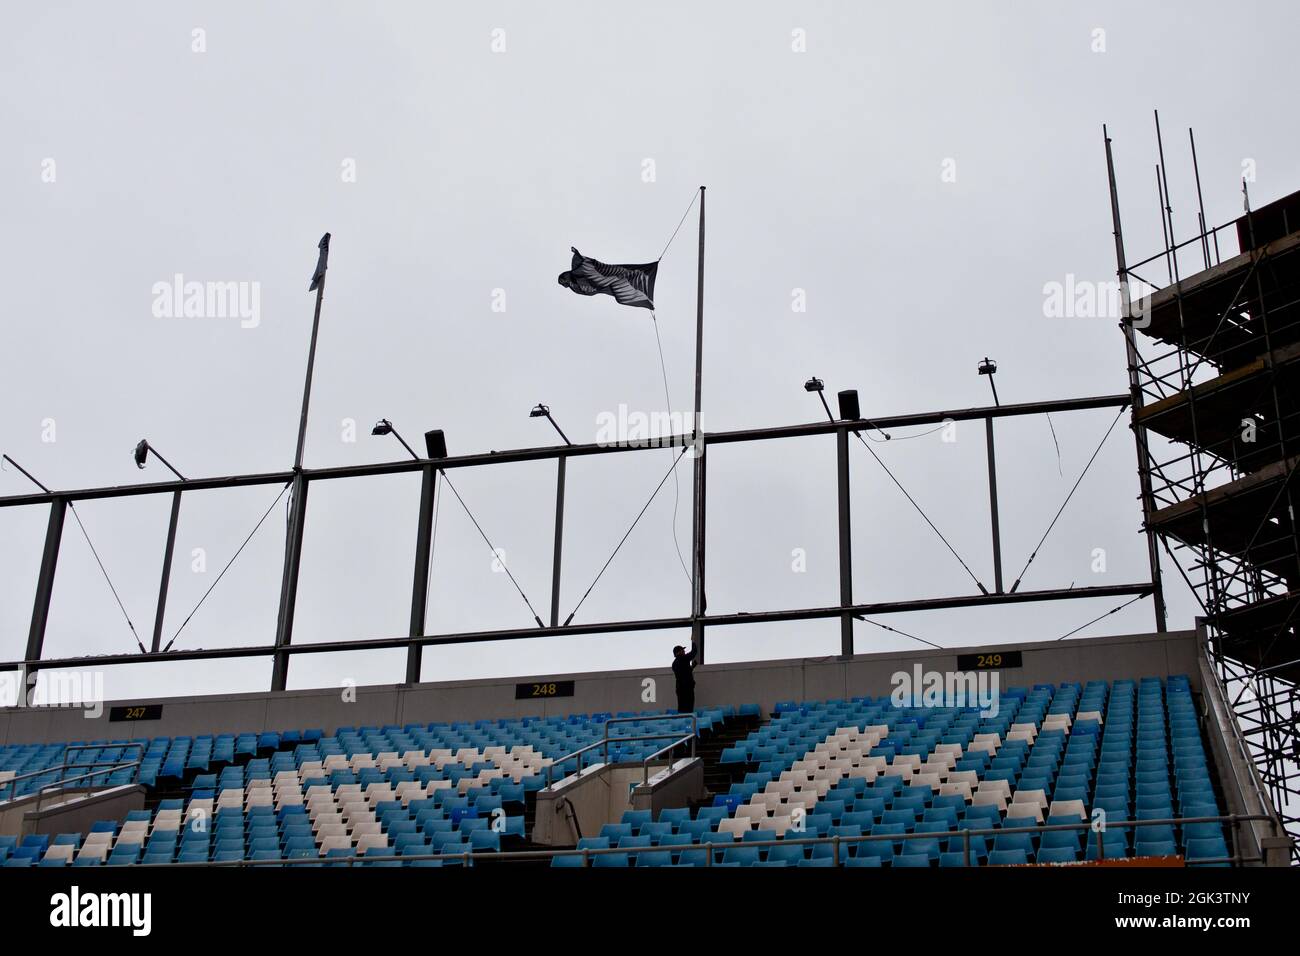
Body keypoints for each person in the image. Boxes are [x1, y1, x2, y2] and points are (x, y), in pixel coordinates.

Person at [672, 643, 698, 715]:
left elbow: (683, 673)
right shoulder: (682, 658)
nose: (684, 652)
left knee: (682, 709)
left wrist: (692, 667)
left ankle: (683, 723)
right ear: (678, 652)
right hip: (687, 688)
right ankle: (688, 725)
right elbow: (694, 652)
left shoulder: (674, 663)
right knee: (689, 709)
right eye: (682, 650)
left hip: (680, 689)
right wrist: (694, 642)